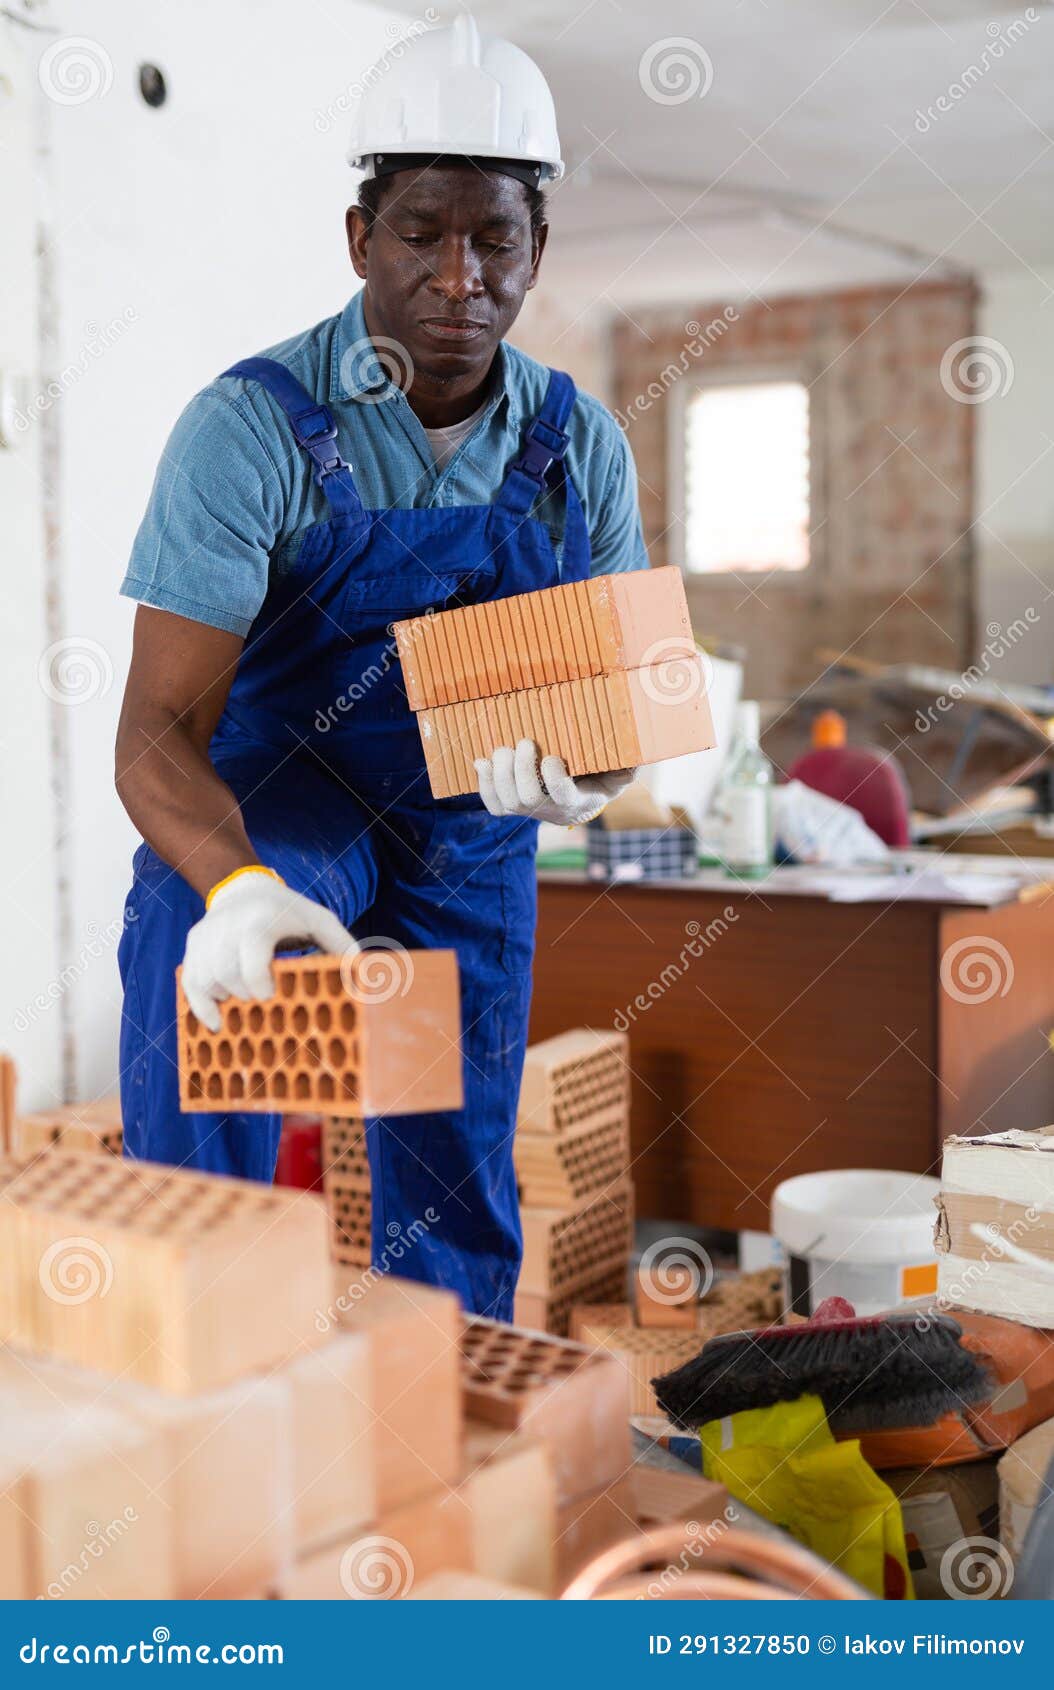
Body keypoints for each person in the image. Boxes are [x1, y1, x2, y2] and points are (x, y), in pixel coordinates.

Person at [114, 16, 646, 1317]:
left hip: (471, 833)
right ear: (362, 238)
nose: (458, 275)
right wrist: (238, 883)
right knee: (205, 954)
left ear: (536, 250)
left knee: (452, 1184)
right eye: (421, 233)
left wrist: (584, 777)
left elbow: (616, 712)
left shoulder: (580, 447)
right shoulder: (251, 430)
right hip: (288, 803)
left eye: (494, 239)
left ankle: (447, 1422)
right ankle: (198, 1342)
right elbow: (150, 732)